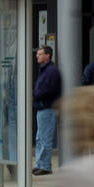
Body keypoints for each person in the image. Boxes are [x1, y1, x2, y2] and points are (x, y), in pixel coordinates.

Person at [33, 45, 62, 175]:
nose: (37, 56)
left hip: (48, 108)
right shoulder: (45, 70)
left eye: (40, 54)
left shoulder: (51, 71)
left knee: (44, 138)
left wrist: (36, 93)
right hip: (42, 108)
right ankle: (41, 164)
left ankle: (45, 166)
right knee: (40, 138)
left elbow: (49, 90)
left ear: (48, 55)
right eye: (37, 54)